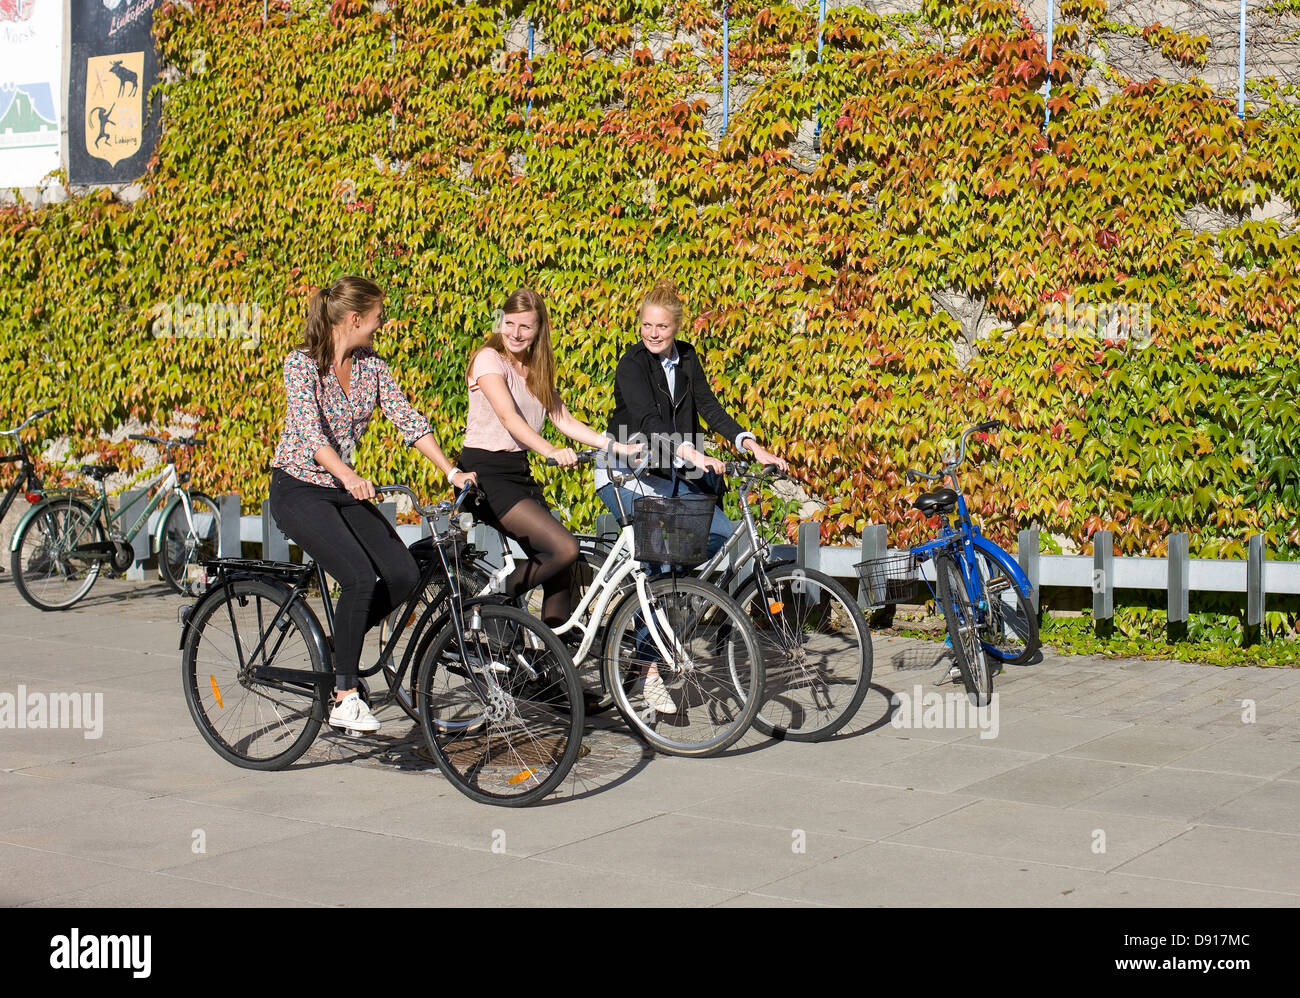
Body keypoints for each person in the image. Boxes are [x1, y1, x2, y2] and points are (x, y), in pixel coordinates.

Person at [269, 276, 475, 734]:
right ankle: (343, 695)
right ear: (354, 318)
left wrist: (449, 470)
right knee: (360, 576)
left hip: (342, 489)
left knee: (402, 573)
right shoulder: (301, 365)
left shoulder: (371, 367)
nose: (383, 324)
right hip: (299, 487)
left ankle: (338, 645)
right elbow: (309, 433)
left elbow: (407, 419)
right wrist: (347, 475)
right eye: (378, 317)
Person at [458, 287, 641, 633]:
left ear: (539, 329)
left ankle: (556, 673)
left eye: (525, 327)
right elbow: (510, 418)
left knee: (561, 568)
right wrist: (550, 450)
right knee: (564, 549)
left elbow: (565, 421)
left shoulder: (537, 370)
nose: (514, 333)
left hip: (518, 474)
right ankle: (490, 603)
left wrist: (616, 448)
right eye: (509, 323)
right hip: (484, 475)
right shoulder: (488, 359)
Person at [597, 277, 789, 559]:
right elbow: (650, 423)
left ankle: (673, 594)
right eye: (646, 325)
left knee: (719, 534)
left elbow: (709, 406)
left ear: (676, 327)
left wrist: (753, 446)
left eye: (662, 326)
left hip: (670, 470)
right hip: (626, 474)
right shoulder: (632, 363)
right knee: (656, 553)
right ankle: (646, 596)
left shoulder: (687, 356)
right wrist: (696, 457)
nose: (652, 333)